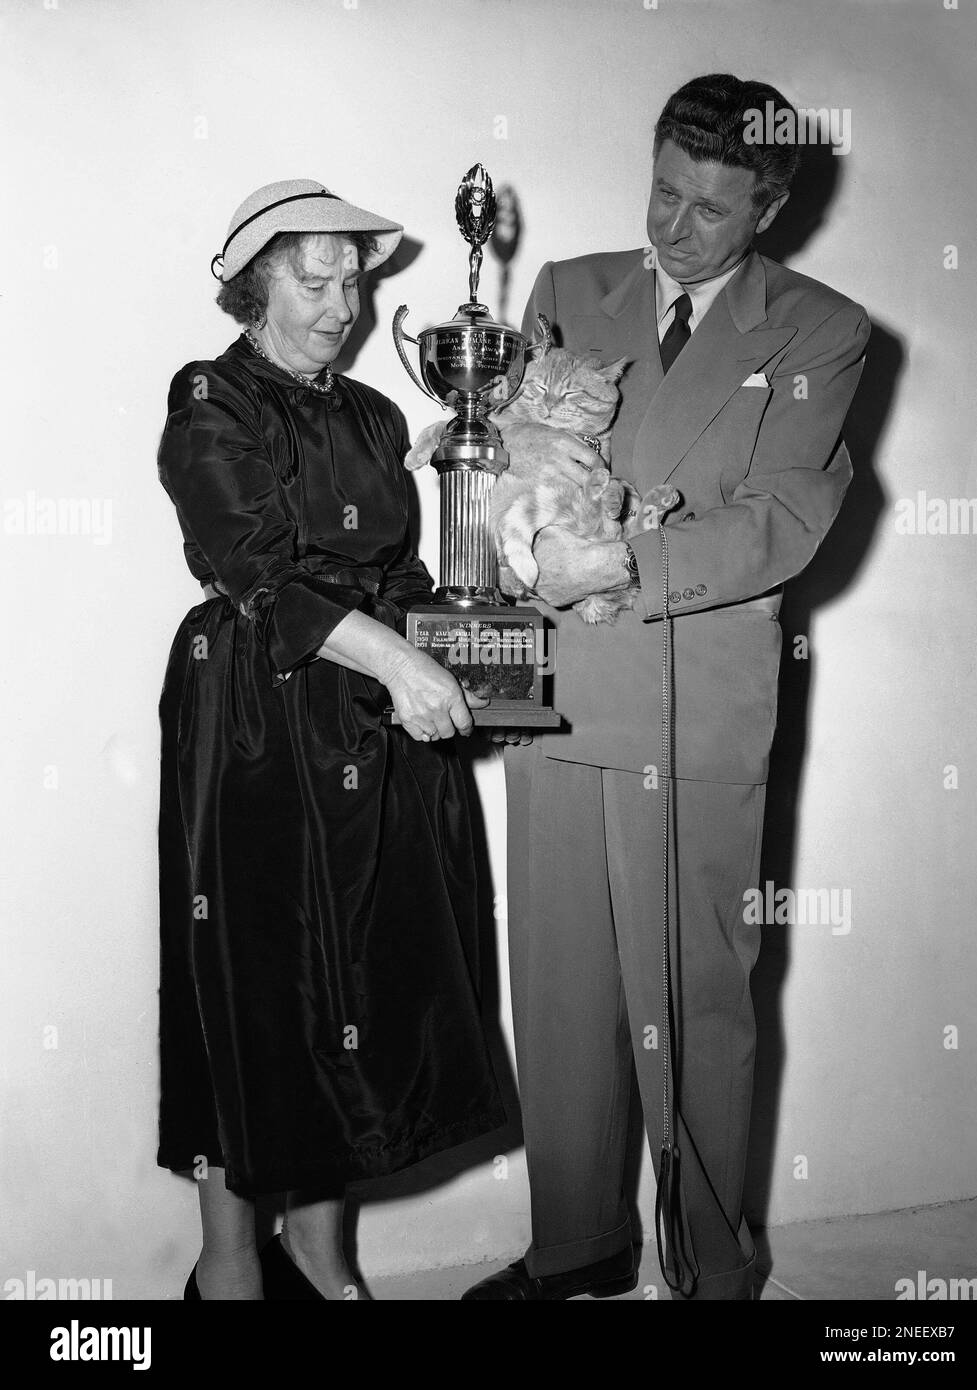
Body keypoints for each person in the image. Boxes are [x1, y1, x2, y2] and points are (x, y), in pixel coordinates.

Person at [463, 75, 870, 1301]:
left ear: (771, 208)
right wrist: (515, 542)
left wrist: (621, 556)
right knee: (561, 983)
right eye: (662, 191)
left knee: (696, 1003)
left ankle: (711, 1267)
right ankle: (577, 1242)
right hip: (558, 686)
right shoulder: (562, 291)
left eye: (708, 206)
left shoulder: (821, 326)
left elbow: (785, 516)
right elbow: (508, 462)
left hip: (696, 700)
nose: (674, 227)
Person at [157, 179, 505, 1300]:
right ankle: (227, 1271)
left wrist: (479, 644)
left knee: (351, 979)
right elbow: (256, 569)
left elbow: (401, 576)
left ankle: (320, 1253)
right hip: (256, 716)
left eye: (353, 278)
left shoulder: (374, 415)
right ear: (255, 284)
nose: (343, 302)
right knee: (254, 987)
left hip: (371, 723)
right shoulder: (210, 396)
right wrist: (401, 661)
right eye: (316, 279)